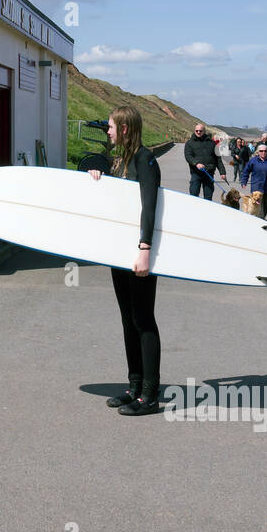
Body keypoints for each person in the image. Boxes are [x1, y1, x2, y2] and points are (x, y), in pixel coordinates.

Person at [89, 104, 162, 416]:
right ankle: (134, 386)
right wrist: (96, 176)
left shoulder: (145, 160)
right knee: (127, 319)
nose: (108, 131)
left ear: (125, 129)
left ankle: (150, 395)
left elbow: (149, 206)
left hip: (139, 253)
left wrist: (144, 248)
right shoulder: (118, 161)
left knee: (143, 320)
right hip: (118, 254)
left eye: (111, 126)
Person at [184, 122, 225, 200]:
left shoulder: (212, 143)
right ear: (194, 131)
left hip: (209, 173)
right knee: (194, 195)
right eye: (197, 131)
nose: (198, 132)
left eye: (200, 131)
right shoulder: (189, 143)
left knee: (208, 197)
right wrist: (196, 163)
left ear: (204, 131)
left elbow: (218, 159)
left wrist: (222, 172)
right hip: (196, 173)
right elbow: (188, 156)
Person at [240, 141, 267, 219]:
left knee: (264, 206)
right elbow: (246, 171)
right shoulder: (253, 161)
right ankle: (256, 219)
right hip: (256, 186)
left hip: (266, 187)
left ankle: (262, 218)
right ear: (258, 152)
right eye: (261, 151)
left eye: (265, 151)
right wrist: (244, 181)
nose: (263, 152)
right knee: (255, 205)